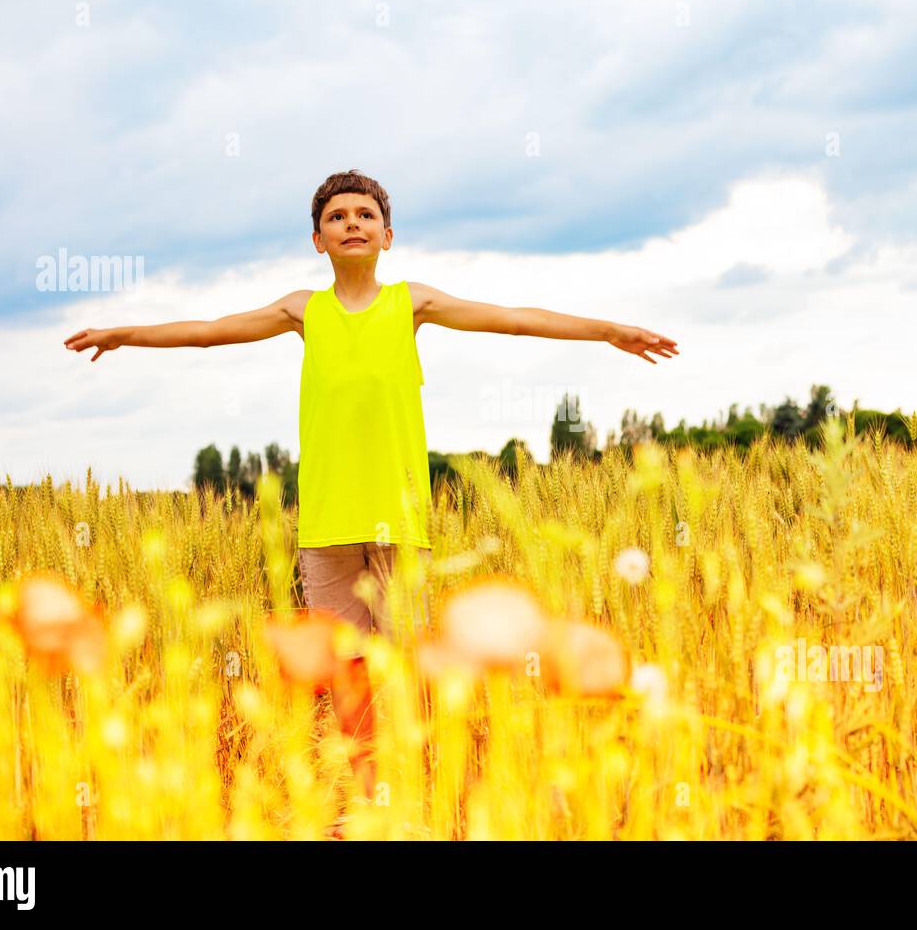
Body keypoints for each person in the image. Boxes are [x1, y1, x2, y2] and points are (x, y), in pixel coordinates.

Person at [63, 168, 680, 817]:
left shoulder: (410, 303)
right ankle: (357, 807)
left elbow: (514, 320)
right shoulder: (303, 310)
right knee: (346, 677)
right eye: (337, 217)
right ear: (316, 239)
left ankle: (414, 796)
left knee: (408, 670)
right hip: (327, 524)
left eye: (364, 215)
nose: (351, 223)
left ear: (387, 234)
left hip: (398, 520)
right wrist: (123, 334)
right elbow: (211, 328)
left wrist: (609, 330)